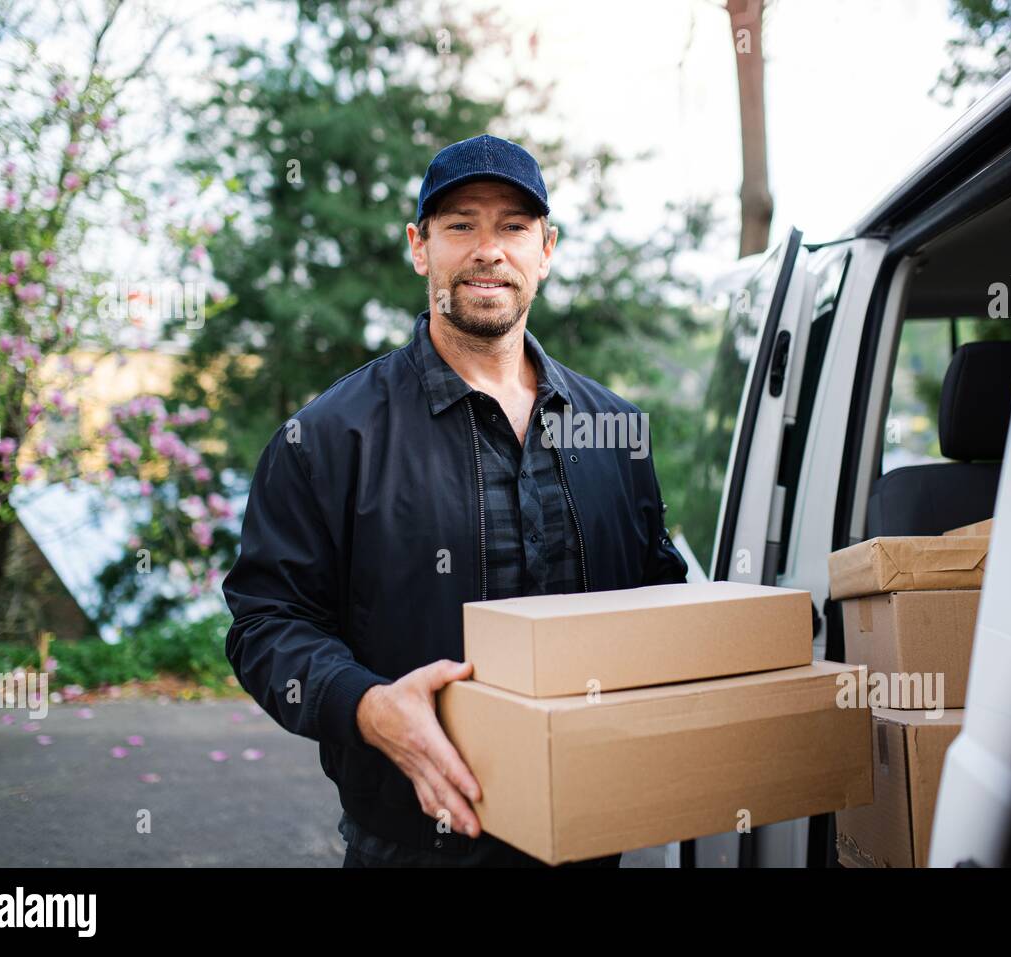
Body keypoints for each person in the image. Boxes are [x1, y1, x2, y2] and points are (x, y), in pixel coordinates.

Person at [222, 133, 689, 867]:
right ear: (420, 246)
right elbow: (266, 623)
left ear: (545, 249)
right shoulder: (325, 436)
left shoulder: (616, 430)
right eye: (460, 225)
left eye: (512, 227)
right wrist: (368, 706)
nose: (487, 250)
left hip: (593, 839)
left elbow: (659, 597)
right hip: (411, 847)